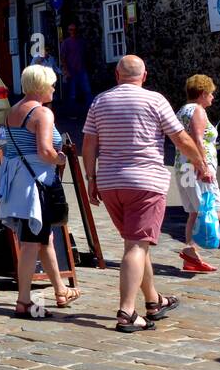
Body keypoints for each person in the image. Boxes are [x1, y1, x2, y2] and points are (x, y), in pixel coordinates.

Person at [82, 55, 212, 333]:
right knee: (136, 246)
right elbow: (180, 138)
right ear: (144, 76)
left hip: (110, 184)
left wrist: (91, 178)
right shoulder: (155, 100)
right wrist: (200, 163)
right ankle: (127, 312)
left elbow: (89, 143)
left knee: (138, 244)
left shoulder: (100, 102)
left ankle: (154, 301)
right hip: (145, 182)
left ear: (117, 75)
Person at [0, 65, 78, 317]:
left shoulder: (12, 112)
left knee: (44, 238)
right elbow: (44, 151)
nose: (54, 88)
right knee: (31, 243)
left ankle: (61, 290)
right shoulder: (42, 113)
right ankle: (23, 301)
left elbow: (9, 149)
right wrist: (60, 158)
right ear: (41, 86)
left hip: (18, 183)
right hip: (37, 184)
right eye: (51, 84)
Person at [174, 74, 220, 272]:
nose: (212, 97)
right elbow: (198, 139)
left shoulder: (182, 110)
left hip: (183, 166)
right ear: (202, 93)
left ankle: (191, 256)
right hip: (197, 168)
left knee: (195, 211)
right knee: (215, 210)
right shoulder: (198, 110)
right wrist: (203, 166)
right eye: (210, 93)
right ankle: (190, 249)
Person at [60, 24, 91, 117]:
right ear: (68, 31)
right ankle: (72, 113)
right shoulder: (66, 42)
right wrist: (66, 71)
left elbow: (85, 55)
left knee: (87, 91)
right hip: (71, 70)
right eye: (71, 30)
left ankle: (91, 112)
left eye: (74, 29)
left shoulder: (81, 42)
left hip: (81, 69)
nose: (73, 31)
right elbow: (63, 58)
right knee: (72, 93)